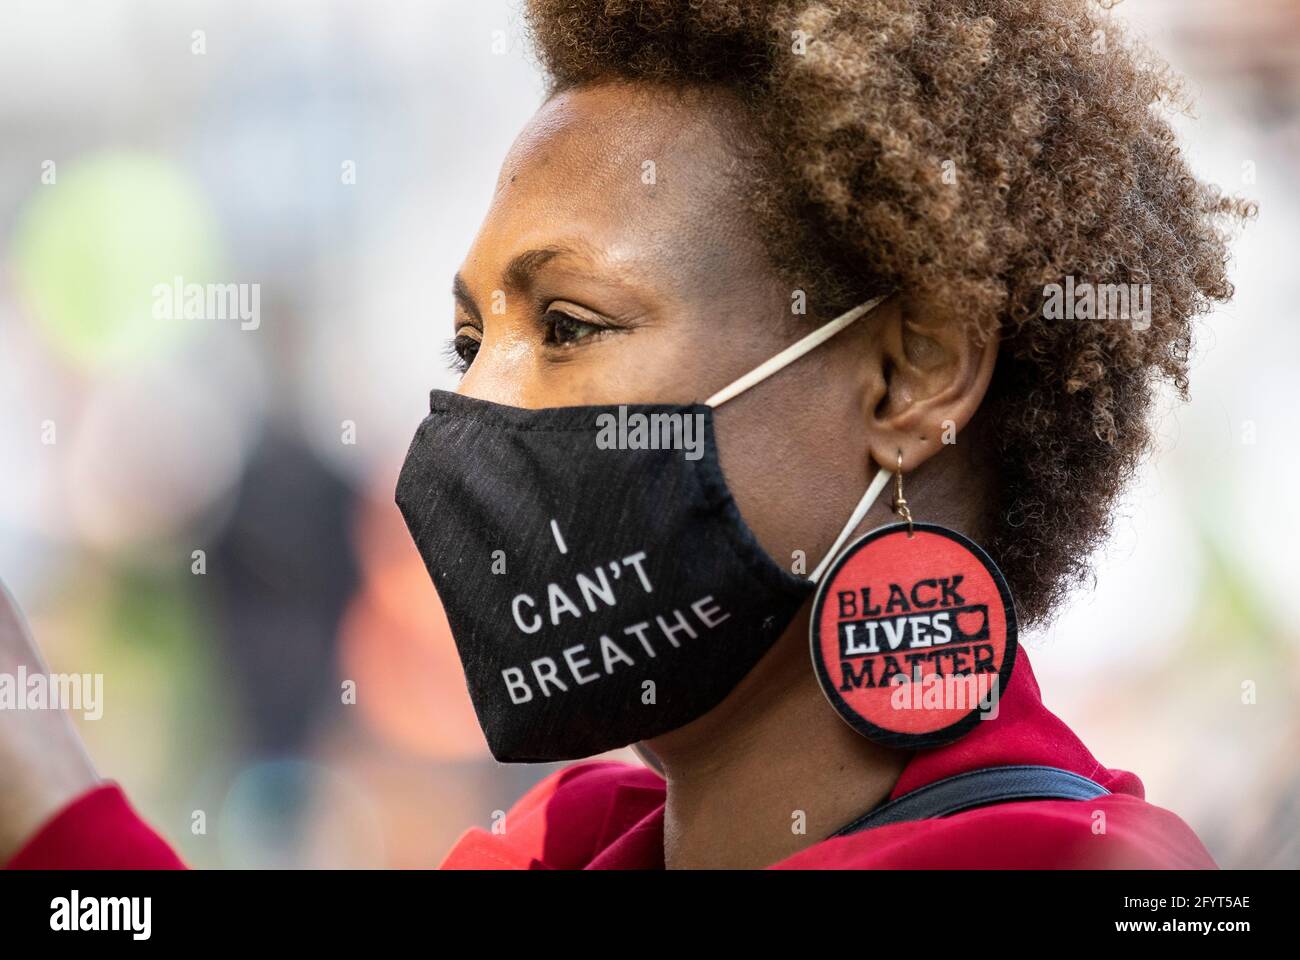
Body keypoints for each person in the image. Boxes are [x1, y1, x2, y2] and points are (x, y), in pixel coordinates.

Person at [2, 0, 1249, 870]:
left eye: (569, 325)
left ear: (905, 378)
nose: (471, 410)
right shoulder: (573, 840)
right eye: (463, 343)